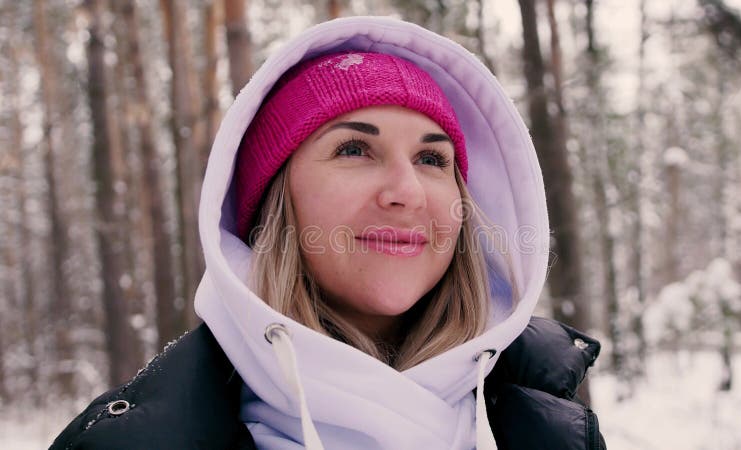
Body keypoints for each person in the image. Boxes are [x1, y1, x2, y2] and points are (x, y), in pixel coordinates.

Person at [51, 16, 604, 449]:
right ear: (272, 202)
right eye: (354, 149)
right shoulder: (131, 442)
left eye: (433, 159)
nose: (406, 190)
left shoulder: (553, 431)